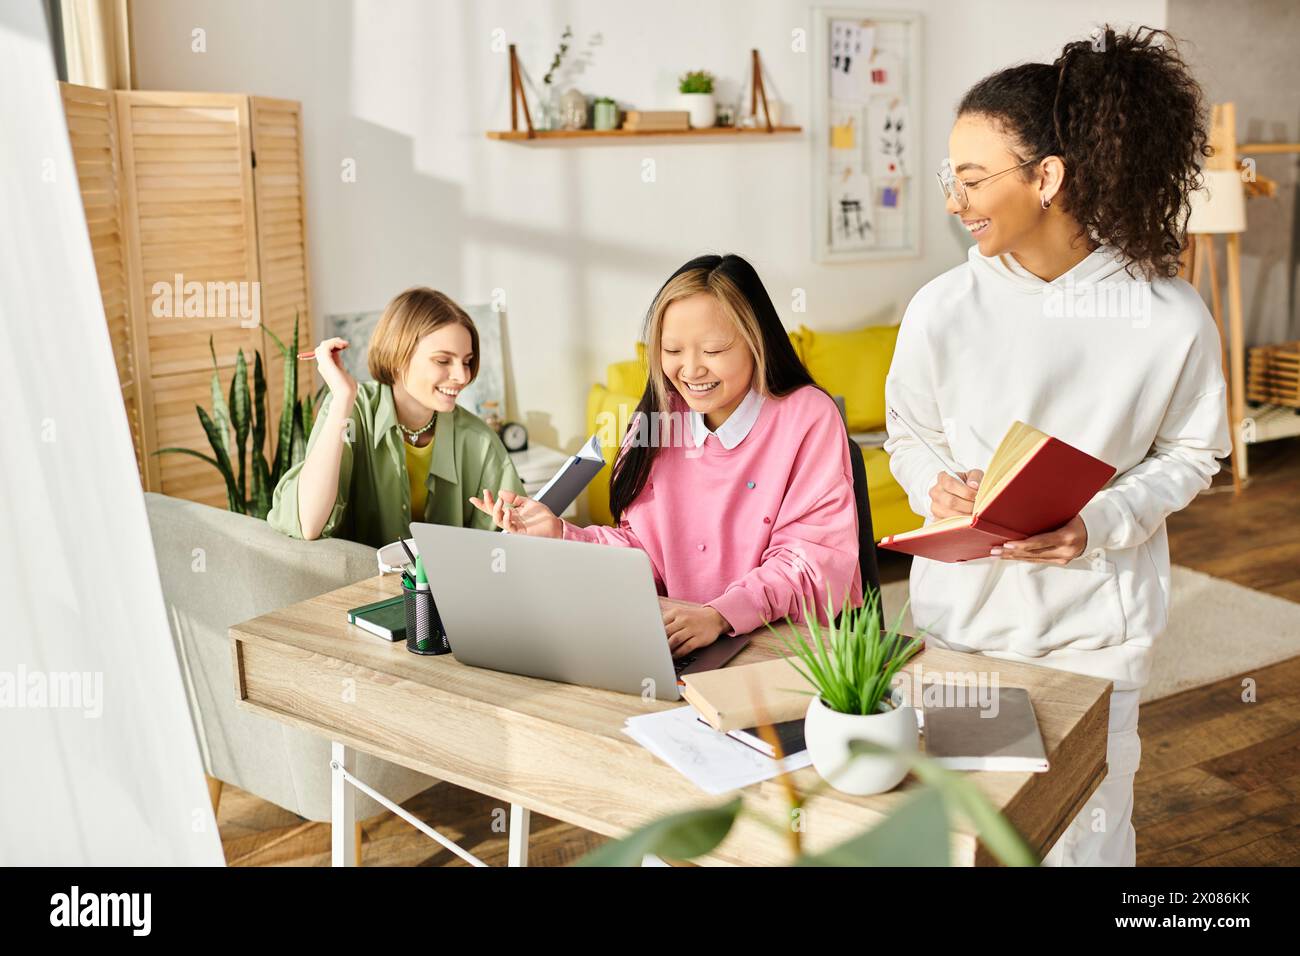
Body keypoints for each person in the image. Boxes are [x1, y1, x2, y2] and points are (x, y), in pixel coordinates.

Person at [884, 26, 1230, 866]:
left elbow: (1192, 453)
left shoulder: (1168, 314)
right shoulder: (940, 307)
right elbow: (910, 433)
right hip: (962, 624)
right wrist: (939, 486)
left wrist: (1099, 520)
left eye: (972, 180)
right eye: (949, 180)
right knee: (966, 835)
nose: (954, 202)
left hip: (1093, 636)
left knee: (1086, 836)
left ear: (1048, 177)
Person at [471, 254, 864, 659]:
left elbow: (808, 562)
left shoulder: (807, 417)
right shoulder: (657, 420)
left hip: (781, 649)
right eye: (672, 349)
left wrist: (719, 615)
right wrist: (563, 534)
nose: (690, 369)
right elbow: (644, 552)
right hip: (679, 646)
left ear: (756, 341)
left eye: (713, 350)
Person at [268, 287, 524, 547]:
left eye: (467, 361)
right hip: (357, 586)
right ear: (399, 357)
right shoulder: (351, 411)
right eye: (443, 361)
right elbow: (308, 523)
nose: (462, 376)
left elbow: (513, 543)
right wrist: (343, 397)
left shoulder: (479, 440)